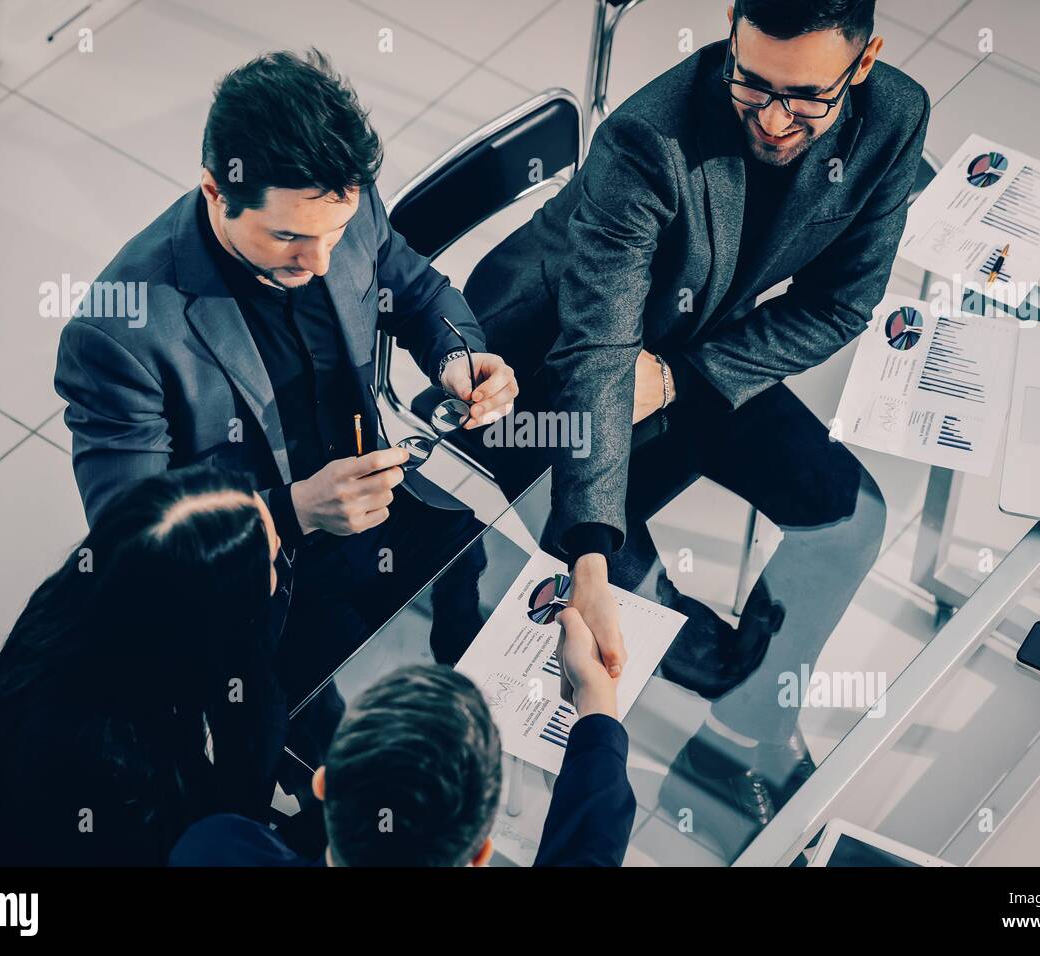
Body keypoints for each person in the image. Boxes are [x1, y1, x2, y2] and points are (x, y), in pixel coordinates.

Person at [456, 0, 926, 834]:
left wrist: (680, 378)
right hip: (542, 368)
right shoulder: (647, 139)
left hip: (687, 355)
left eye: (807, 97)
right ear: (731, 36)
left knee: (853, 522)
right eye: (751, 82)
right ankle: (724, 700)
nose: (775, 119)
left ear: (865, 63)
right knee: (653, 615)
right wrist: (590, 556)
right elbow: (595, 351)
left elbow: (841, 305)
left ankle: (743, 734)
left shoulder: (895, 115)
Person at [54, 49, 518, 703]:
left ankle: (466, 695)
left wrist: (456, 360)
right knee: (333, 751)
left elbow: (408, 286)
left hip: (384, 505)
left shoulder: (335, 200)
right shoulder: (118, 336)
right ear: (217, 191)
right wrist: (293, 511)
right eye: (290, 241)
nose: (323, 261)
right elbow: (134, 545)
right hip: (251, 588)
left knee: (475, 586)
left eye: (335, 232)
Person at [0, 466, 285, 866]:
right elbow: (228, 835)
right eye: (268, 561)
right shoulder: (120, 776)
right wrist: (251, 658)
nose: (277, 565)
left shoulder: (70, 613)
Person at [170, 608, 635, 867]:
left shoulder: (210, 847)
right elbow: (591, 843)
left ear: (323, 784)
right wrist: (594, 692)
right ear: (480, 856)